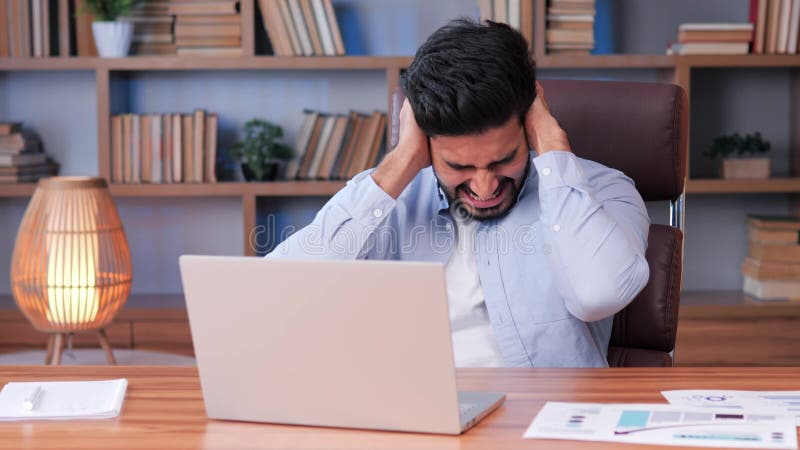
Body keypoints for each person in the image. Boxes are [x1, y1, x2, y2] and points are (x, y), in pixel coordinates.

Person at [267, 18, 650, 368]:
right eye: (459, 167)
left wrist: (553, 144)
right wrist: (400, 162)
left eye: (503, 160)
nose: (484, 188)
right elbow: (278, 294)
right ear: (425, 142)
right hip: (409, 422)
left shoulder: (600, 190)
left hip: (541, 423)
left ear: (529, 125)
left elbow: (598, 294)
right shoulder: (387, 198)